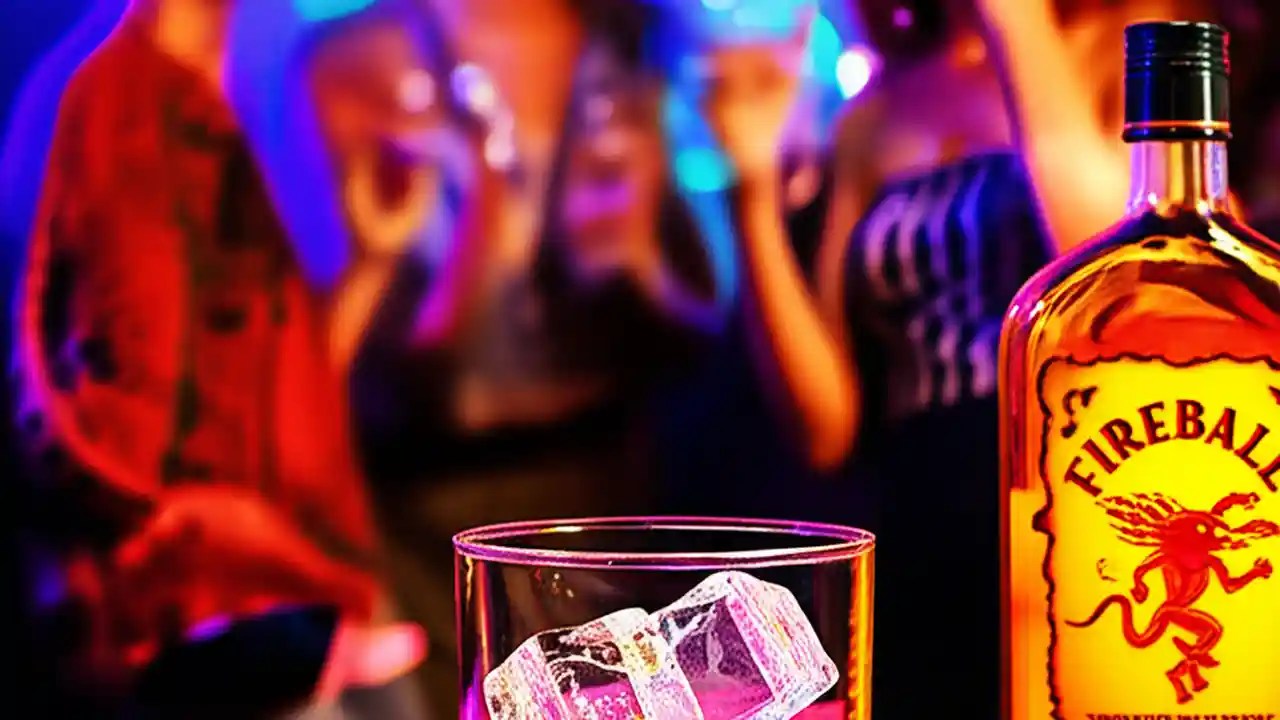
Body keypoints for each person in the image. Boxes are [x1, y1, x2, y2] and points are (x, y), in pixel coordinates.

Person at [703, 0, 1223, 715]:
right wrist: (752, 190)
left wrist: (1018, 26)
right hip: (919, 515)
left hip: (1079, 494)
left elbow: (1134, 292)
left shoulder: (1134, 43)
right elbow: (826, 427)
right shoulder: (875, 112)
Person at [11, 0, 424, 714]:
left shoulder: (244, 73)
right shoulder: (117, 105)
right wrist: (244, 556)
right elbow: (82, 432)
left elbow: (253, 390)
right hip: (217, 626)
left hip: (294, 600)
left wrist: (371, 265)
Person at [336, 0, 720, 714]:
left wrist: (639, 254)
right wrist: (480, 223)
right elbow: (358, 361)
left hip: (611, 495)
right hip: (434, 507)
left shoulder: (631, 37)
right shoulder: (359, 58)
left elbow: (709, 321)